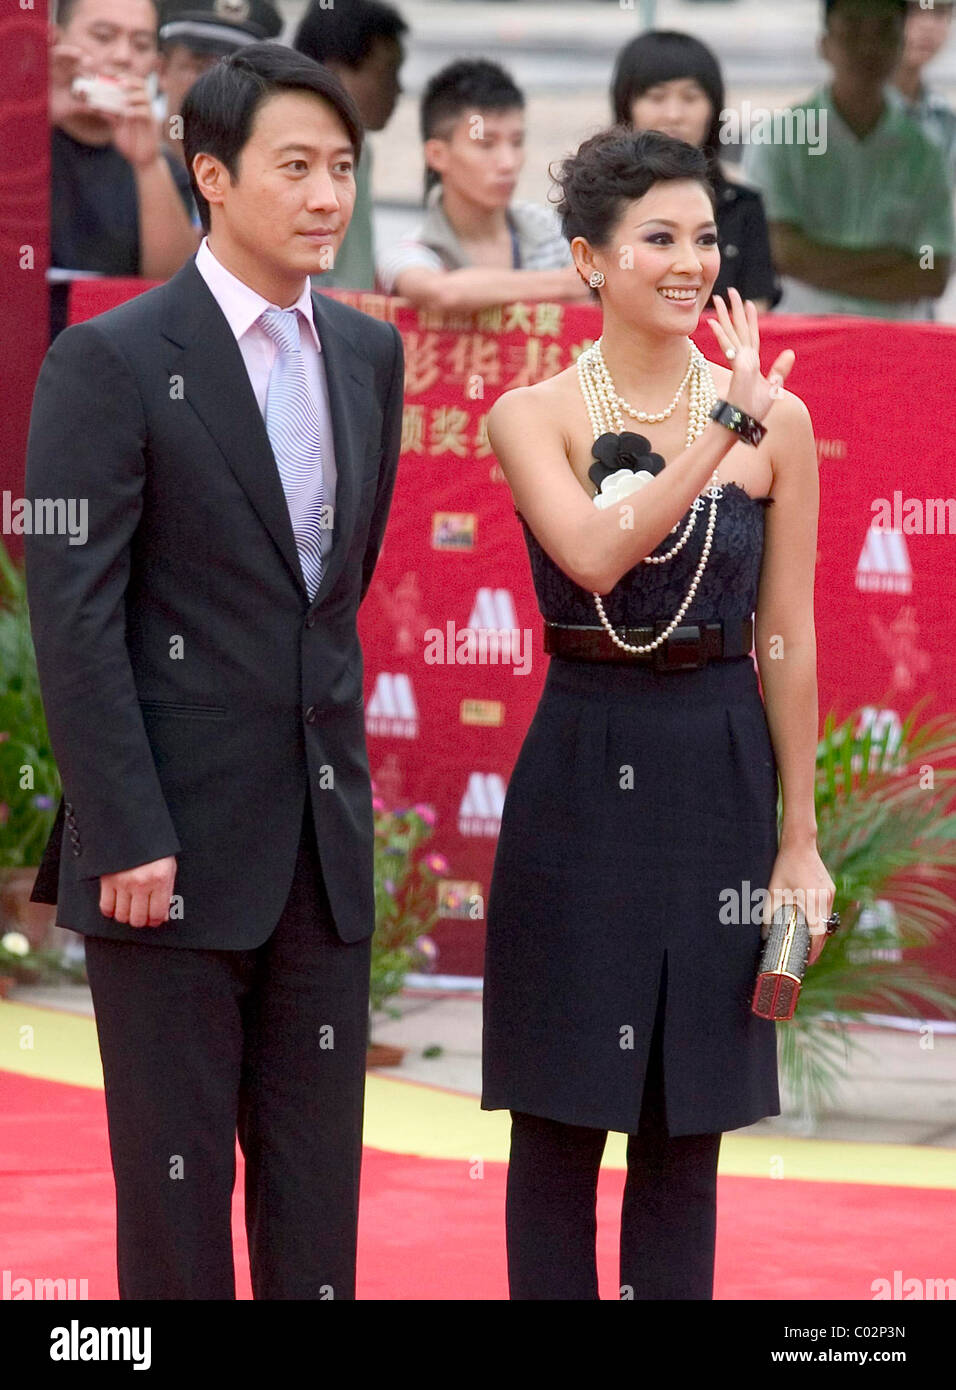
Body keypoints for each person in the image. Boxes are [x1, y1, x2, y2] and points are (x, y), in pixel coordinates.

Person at [25, 42, 404, 1300]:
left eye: (343, 168)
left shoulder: (367, 358)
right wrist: (125, 829)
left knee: (319, 1211)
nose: (325, 196)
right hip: (163, 863)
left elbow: (327, 604)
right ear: (212, 176)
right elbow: (73, 614)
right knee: (177, 1214)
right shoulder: (113, 357)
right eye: (294, 167)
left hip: (318, 856)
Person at [480, 127, 837, 1300]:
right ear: (588, 259)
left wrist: (798, 840)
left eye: (704, 237)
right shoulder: (530, 413)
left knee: (686, 1133)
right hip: (580, 761)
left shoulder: (776, 423)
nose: (691, 262)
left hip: (718, 766)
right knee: (556, 1123)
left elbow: (784, 637)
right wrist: (718, 431)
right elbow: (589, 552)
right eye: (658, 239)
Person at [742, 0, 954, 320]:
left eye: (883, 32)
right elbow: (780, 253)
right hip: (801, 337)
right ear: (825, 45)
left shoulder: (925, 153)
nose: (868, 47)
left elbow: (932, 274)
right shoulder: (780, 138)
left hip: (899, 342)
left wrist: (814, 259)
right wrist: (889, 257)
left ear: (899, 45)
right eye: (852, 30)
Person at [376, 59, 592, 310]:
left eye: (517, 142)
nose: (508, 163)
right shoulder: (411, 251)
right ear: (437, 155)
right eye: (486, 144)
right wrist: (563, 284)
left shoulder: (550, 230)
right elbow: (439, 292)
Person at [49, 0, 198, 336]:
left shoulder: (163, 169)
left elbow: (174, 288)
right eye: (102, 37)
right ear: (56, 41)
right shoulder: (23, 135)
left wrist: (147, 164)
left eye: (140, 45)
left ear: (154, 66)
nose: (122, 56)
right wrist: (35, 118)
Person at [611, 29, 781, 313]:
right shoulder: (600, 201)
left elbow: (756, 313)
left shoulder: (742, 207)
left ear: (713, 109)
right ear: (626, 105)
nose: (674, 114)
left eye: (690, 98)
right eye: (656, 97)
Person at [295, 0, 408, 291]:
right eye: (386, 72)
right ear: (334, 74)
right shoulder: (298, 154)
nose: (397, 88)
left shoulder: (359, 150)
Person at [156, 0, 282, 172]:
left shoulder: (267, 170)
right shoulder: (126, 156)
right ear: (162, 70)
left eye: (235, 70)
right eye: (200, 67)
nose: (216, 83)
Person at [890, 0, 956, 182]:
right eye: (912, 10)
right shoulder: (842, 112)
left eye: (939, 12)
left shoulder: (943, 118)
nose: (928, 26)